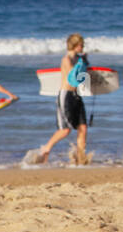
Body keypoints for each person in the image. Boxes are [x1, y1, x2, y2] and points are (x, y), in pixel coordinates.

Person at [37, 34, 89, 163]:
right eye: (81, 45)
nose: (83, 47)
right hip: (66, 96)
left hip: (77, 96)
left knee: (83, 128)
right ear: (75, 45)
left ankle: (80, 156)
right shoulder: (66, 59)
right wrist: (83, 63)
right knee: (65, 130)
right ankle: (46, 148)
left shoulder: (78, 59)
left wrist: (85, 61)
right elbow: (74, 75)